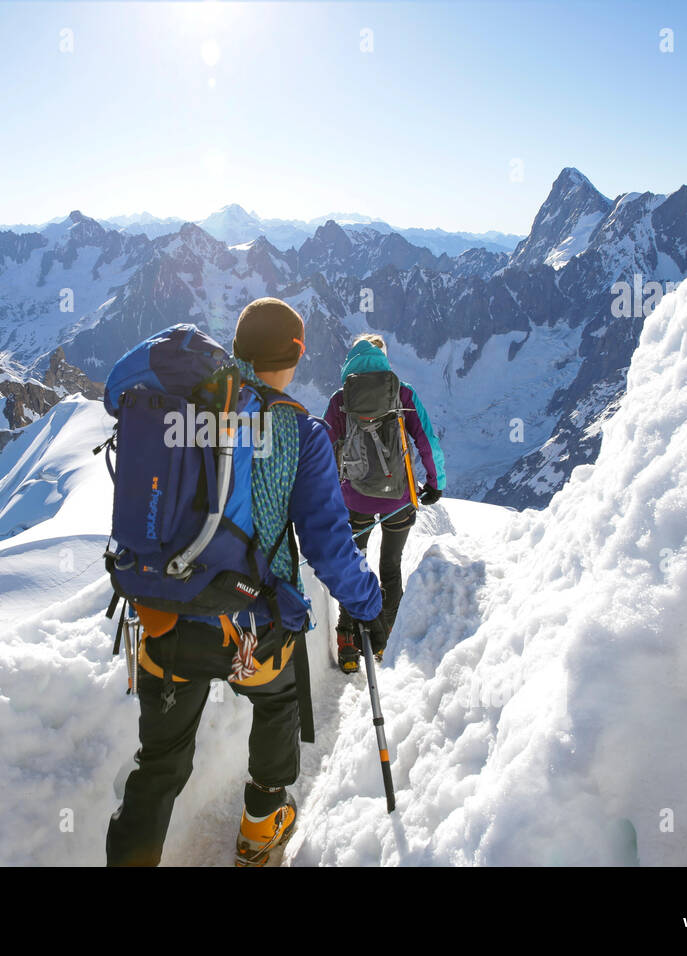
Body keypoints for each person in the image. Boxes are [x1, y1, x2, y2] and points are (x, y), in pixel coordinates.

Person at [105, 299, 387, 867]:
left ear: (236, 352)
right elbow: (329, 548)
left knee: (158, 762)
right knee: (277, 702)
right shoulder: (301, 432)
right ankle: (261, 829)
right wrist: (366, 602)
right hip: (250, 627)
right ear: (297, 354)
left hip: (165, 618)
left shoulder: (189, 410)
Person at [324, 333, 446, 672]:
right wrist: (436, 484)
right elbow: (427, 439)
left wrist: (328, 493)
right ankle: (384, 640)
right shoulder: (401, 392)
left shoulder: (340, 398)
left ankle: (348, 642)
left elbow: (325, 446)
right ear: (384, 359)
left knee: (355, 566)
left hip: (354, 500)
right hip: (398, 499)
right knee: (390, 567)